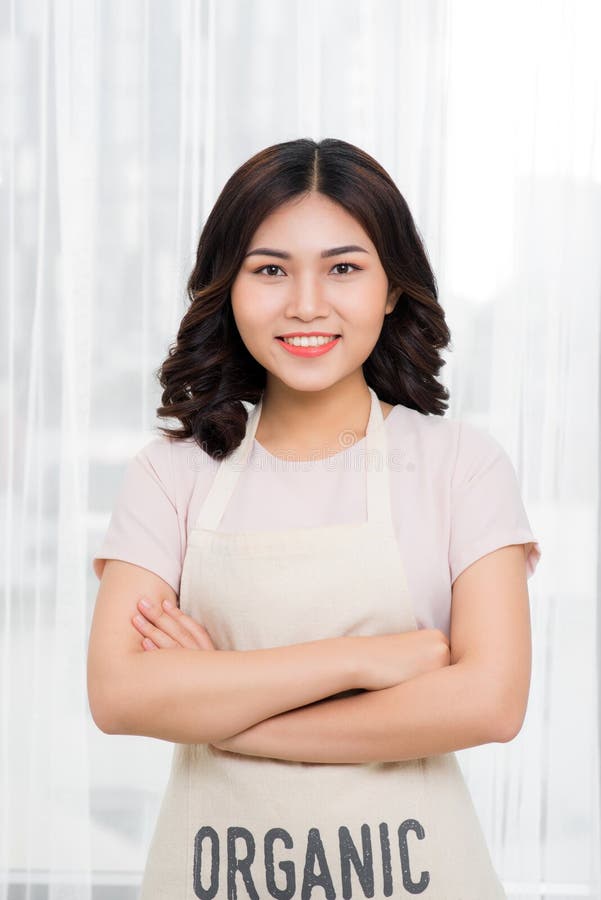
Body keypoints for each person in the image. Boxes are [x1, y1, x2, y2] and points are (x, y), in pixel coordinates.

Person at [87, 137, 541, 899]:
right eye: (269, 270)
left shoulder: (461, 466)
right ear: (226, 288)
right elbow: (119, 695)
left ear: (392, 288)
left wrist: (222, 710)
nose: (305, 303)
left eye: (343, 268)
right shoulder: (170, 475)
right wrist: (359, 662)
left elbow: (489, 704)